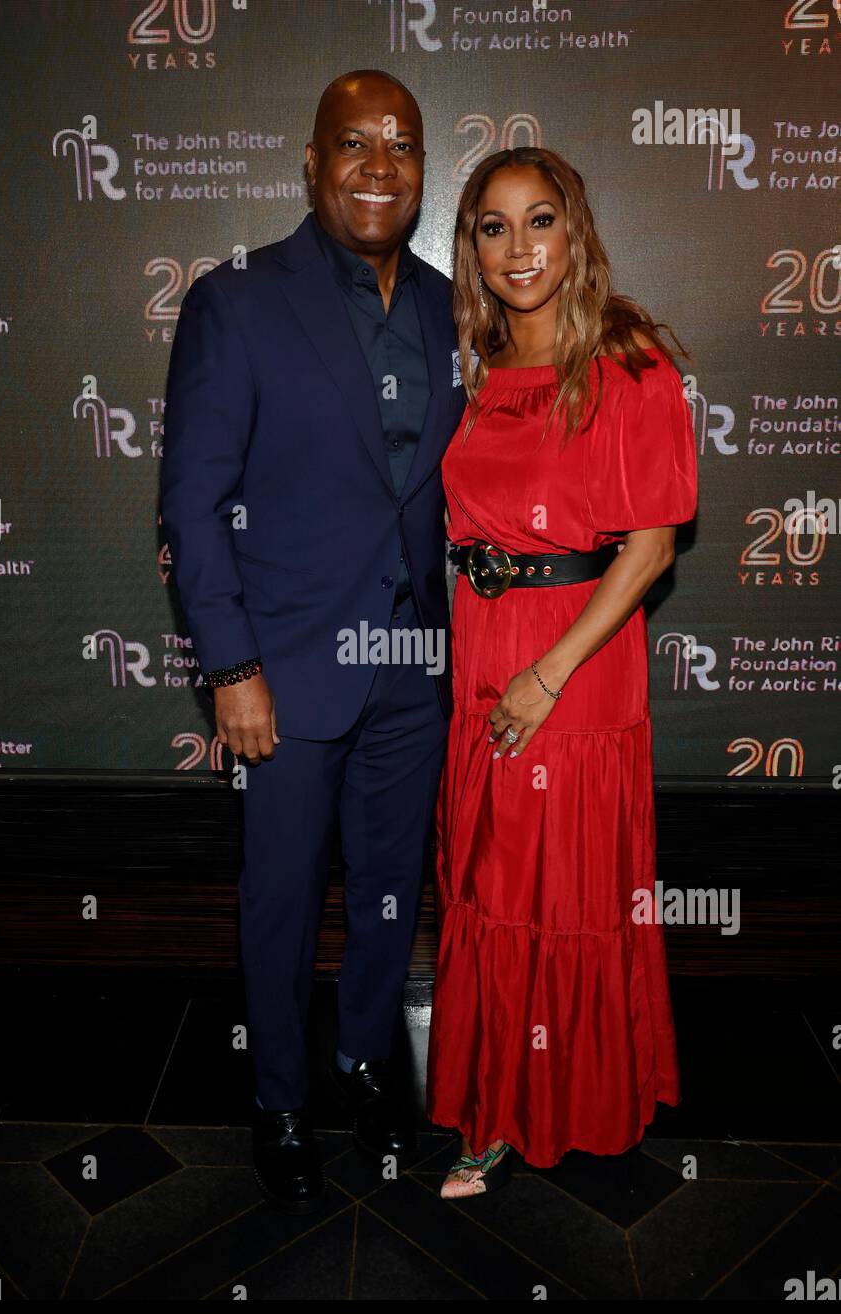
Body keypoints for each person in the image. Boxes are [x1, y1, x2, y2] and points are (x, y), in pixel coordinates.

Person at [160, 70, 465, 1214]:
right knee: (282, 896)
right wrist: (230, 668)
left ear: (422, 171)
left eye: (402, 145)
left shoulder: (448, 307)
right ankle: (281, 1098)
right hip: (281, 671)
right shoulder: (237, 299)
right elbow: (193, 502)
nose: (380, 164)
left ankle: (366, 1063)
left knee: (391, 884)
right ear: (311, 162)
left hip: (414, 673)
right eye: (354, 143)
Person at [425, 146, 698, 1197]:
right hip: (484, 647)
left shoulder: (629, 362)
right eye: (494, 227)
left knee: (568, 881)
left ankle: (577, 1096)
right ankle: (492, 1107)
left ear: (573, 230)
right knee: (489, 880)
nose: (519, 247)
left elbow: (650, 547)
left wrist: (548, 673)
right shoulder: (483, 366)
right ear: (473, 248)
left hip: (576, 657)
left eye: (540, 221)